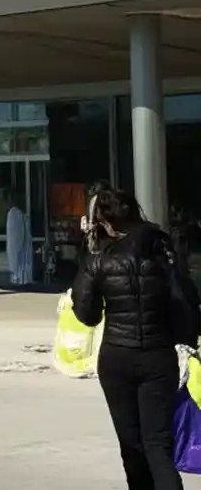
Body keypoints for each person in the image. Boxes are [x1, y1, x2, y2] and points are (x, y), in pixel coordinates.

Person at [72, 189, 199, 490]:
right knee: (158, 446)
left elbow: (86, 313)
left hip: (118, 356)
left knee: (132, 447)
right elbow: (186, 302)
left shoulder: (101, 258)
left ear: (104, 221)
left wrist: (87, 251)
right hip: (159, 356)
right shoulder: (162, 249)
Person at [6, 195, 31, 285]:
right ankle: (19, 278)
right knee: (19, 260)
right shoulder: (18, 213)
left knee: (15, 259)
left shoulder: (13, 214)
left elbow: (17, 230)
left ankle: (17, 278)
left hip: (15, 242)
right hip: (16, 241)